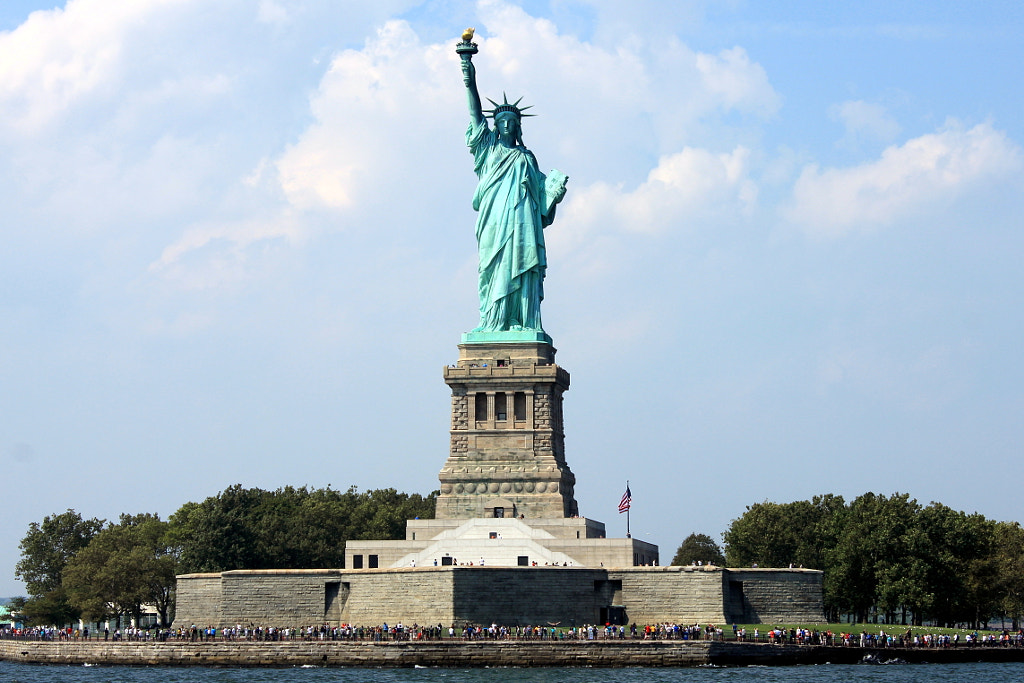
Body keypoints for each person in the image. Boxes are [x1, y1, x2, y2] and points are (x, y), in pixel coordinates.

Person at [460, 55, 567, 333]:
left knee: (521, 265)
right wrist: (468, 73)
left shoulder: (527, 158)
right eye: (502, 120)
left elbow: (541, 200)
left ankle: (522, 320)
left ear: (518, 126)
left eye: (511, 120)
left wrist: (554, 194)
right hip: (494, 221)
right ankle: (493, 322)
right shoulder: (487, 151)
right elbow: (474, 112)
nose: (507, 124)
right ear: (494, 125)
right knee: (493, 268)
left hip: (522, 224)